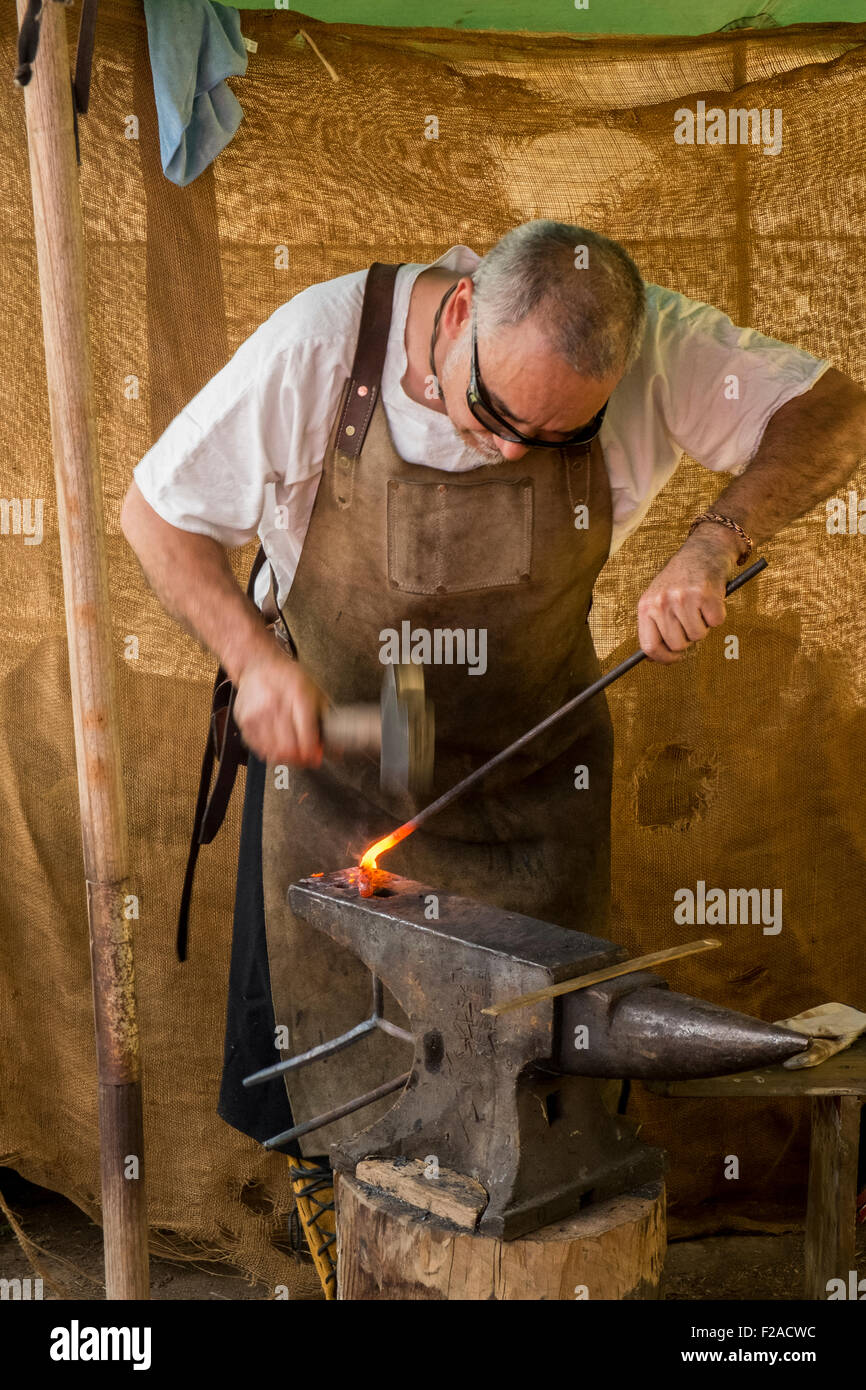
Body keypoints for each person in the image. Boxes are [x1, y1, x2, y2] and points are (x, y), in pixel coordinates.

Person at [121, 220, 866, 1294]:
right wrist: (250, 657)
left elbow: (833, 409)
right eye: (494, 414)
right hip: (340, 774)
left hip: (532, 783)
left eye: (554, 437)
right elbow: (155, 512)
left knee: (540, 1091)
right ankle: (357, 1259)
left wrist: (713, 540)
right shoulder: (325, 344)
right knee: (331, 1091)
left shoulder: (648, 346)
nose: (514, 450)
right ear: (461, 309)